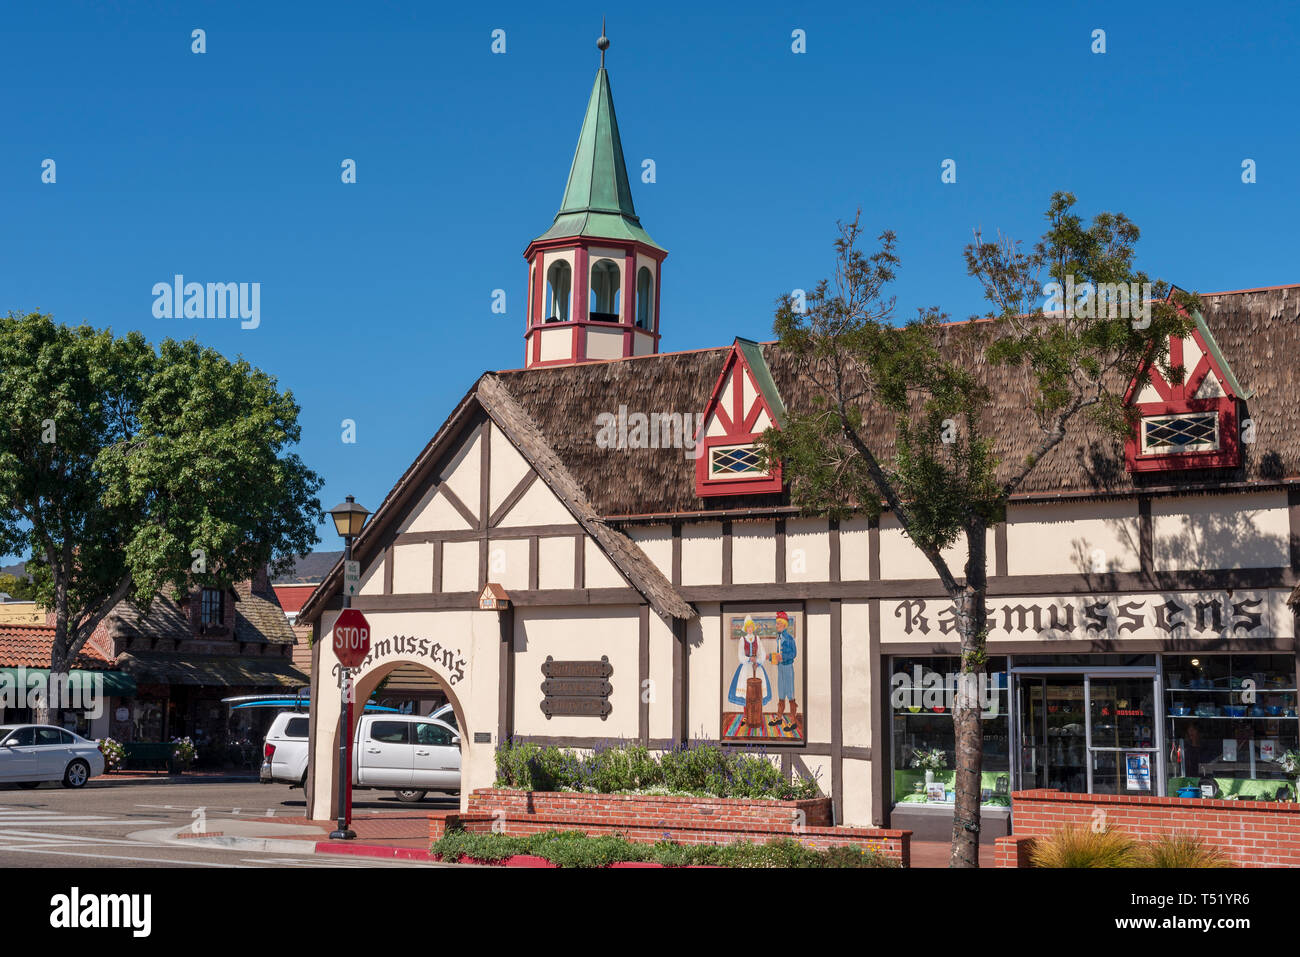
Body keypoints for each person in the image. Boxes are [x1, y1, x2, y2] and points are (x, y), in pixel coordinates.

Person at [726, 615, 771, 729]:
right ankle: (746, 715)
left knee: (758, 693)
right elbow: (740, 656)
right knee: (747, 693)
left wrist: (758, 661)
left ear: (753, 628)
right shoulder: (742, 640)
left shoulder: (757, 638)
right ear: (746, 629)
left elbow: (762, 652)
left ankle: (757, 715)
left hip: (757, 667)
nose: (750, 629)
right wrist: (748, 659)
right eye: (748, 627)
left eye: (751, 627)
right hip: (746, 668)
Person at [766, 611, 799, 734]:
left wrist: (783, 657)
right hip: (780, 668)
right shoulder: (778, 638)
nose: (777, 625)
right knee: (781, 693)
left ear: (784, 625)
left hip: (788, 668)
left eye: (779, 623)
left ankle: (793, 721)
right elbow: (777, 654)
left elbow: (794, 654)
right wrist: (769, 657)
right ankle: (779, 718)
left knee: (790, 694)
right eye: (776, 623)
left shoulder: (789, 638)